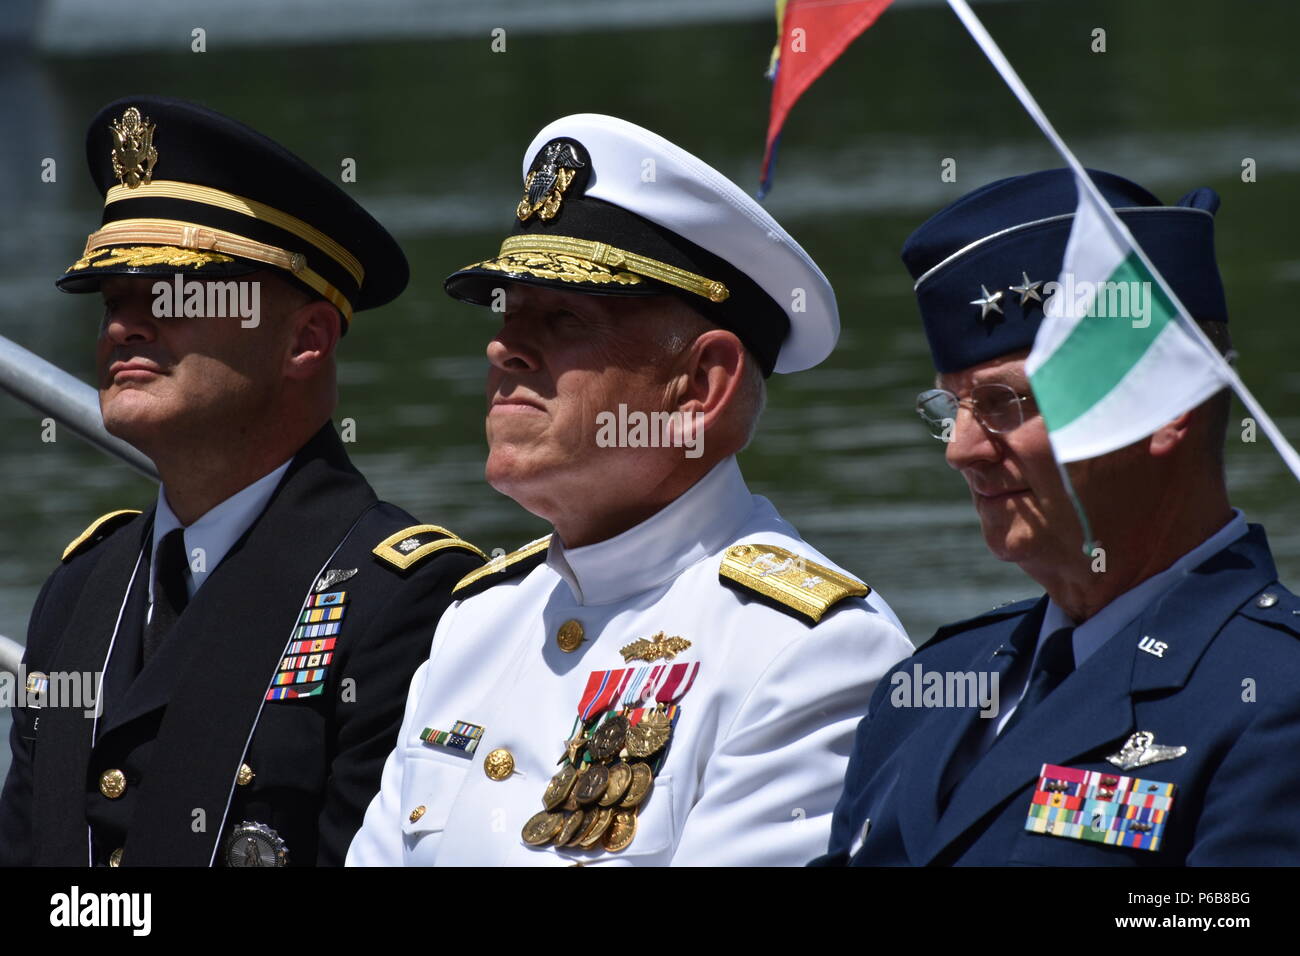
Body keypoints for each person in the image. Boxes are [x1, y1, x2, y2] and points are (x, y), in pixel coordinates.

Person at [346, 113, 912, 866]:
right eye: (508, 313)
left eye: (563, 317)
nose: (502, 346)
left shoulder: (807, 653)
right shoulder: (477, 623)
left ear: (701, 387)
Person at [0, 96, 485, 867]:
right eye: (114, 300)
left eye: (173, 294)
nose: (126, 325)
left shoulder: (403, 603)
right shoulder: (81, 589)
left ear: (307, 339)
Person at [816, 168, 1300, 866]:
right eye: (949, 410)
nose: (961, 451)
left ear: (1167, 409)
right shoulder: (929, 688)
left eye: (1004, 404)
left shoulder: (1273, 697)